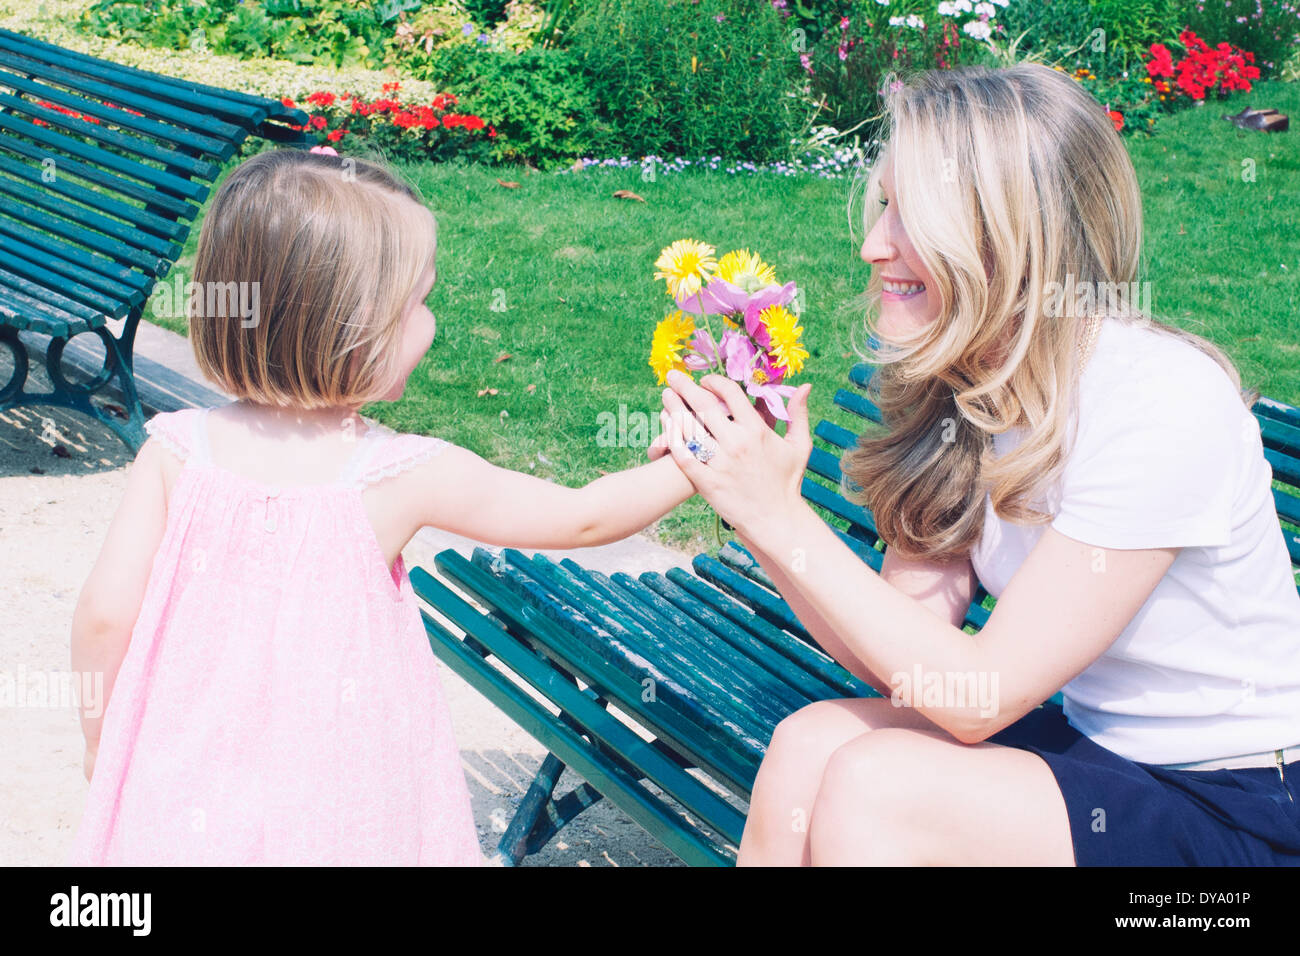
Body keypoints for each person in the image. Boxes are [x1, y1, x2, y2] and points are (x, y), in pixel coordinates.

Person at [659, 63, 1300, 866]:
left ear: (1011, 232)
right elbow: (908, 658)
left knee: (877, 786)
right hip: (1100, 753)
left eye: (908, 212)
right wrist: (758, 508)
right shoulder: (964, 384)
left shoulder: (1158, 400)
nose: (871, 244)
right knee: (810, 743)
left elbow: (978, 700)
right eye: (882, 203)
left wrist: (778, 516)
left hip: (1239, 808)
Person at [68, 148, 696, 865]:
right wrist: (700, 459)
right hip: (336, 807)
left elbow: (103, 616)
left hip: (185, 794)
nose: (431, 321)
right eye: (419, 302)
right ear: (355, 328)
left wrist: (101, 740)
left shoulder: (176, 452)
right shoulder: (397, 475)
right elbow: (583, 516)